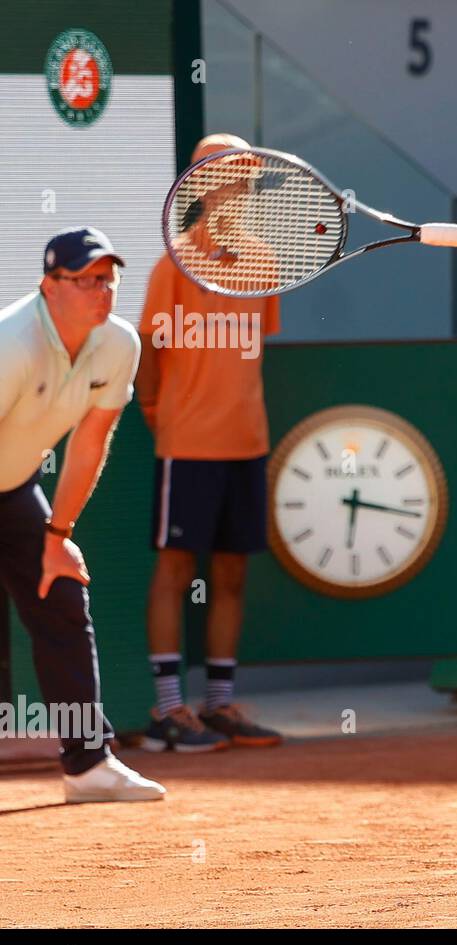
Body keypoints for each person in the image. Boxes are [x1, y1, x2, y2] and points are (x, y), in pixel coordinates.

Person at [0, 228, 165, 802]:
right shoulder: (11, 345)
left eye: (108, 278)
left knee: (62, 596)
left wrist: (57, 535)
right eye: (85, 279)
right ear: (50, 286)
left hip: (12, 486)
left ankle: (88, 765)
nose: (102, 290)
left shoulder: (118, 344)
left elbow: (90, 442)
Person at [135, 134, 283, 752]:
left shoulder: (263, 260)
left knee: (231, 576)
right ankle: (168, 710)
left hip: (245, 442)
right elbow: (148, 351)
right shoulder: (171, 264)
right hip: (187, 443)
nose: (237, 189)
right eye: (224, 177)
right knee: (174, 570)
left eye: (246, 179)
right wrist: (154, 411)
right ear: (196, 186)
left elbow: (254, 350)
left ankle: (219, 705)